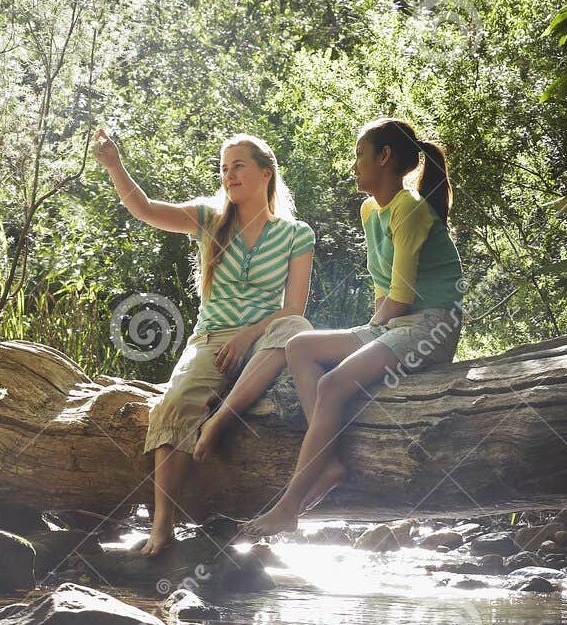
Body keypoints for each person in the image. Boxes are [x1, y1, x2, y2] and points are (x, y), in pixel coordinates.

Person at [91, 127, 315, 555]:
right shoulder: (209, 218)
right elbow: (144, 209)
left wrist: (250, 334)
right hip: (211, 339)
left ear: (266, 173)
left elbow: (293, 309)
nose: (229, 175)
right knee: (173, 405)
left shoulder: (295, 234)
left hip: (265, 337)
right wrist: (114, 165)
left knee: (299, 330)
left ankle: (218, 422)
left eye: (239, 166)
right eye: (224, 168)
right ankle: (162, 525)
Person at [239, 117, 464, 541]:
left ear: (384, 157)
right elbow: (384, 290)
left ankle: (288, 508)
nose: (354, 165)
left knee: (335, 384)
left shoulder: (410, 208)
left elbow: (400, 295)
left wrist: (372, 333)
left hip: (433, 324)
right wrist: (371, 332)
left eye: (361, 154)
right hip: (397, 321)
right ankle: (328, 463)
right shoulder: (370, 210)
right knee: (300, 347)